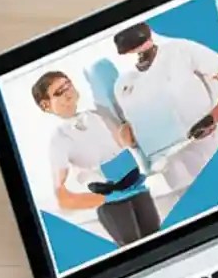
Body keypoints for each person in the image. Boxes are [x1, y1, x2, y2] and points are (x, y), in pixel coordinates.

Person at [32, 71, 161, 246]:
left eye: (68, 85)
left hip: (136, 184)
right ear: (46, 105)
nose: (68, 92)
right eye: (59, 92)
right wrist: (104, 199)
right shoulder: (59, 139)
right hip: (110, 198)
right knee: (133, 247)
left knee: (158, 239)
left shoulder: (97, 116)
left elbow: (126, 142)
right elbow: (61, 195)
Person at [111, 22, 218, 195]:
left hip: (208, 145)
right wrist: (128, 139)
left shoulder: (179, 50)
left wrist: (217, 114)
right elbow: (133, 130)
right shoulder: (123, 84)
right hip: (169, 167)